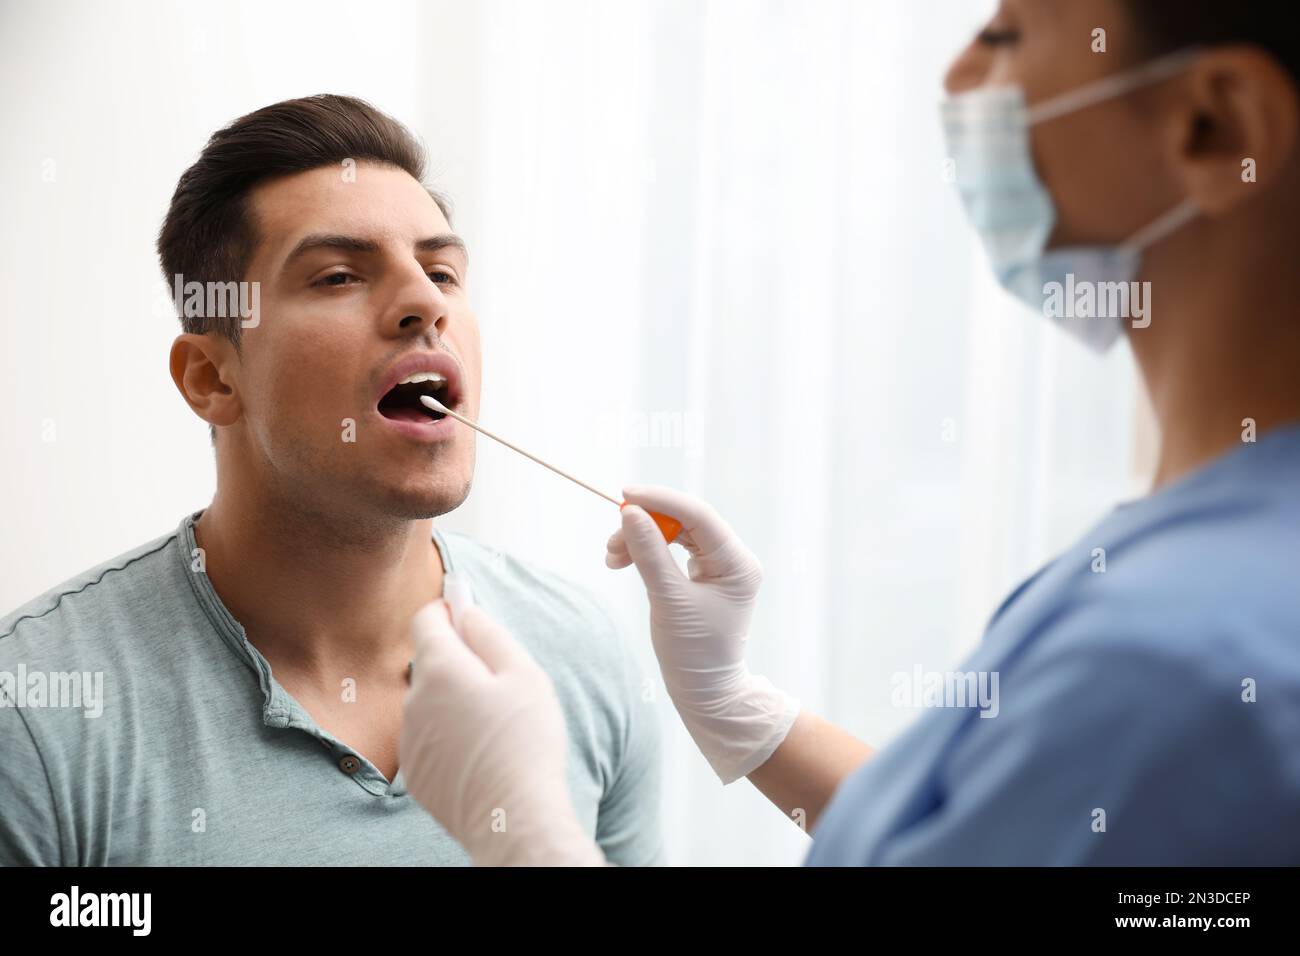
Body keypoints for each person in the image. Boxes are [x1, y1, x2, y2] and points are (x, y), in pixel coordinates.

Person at [398, 0, 1300, 866]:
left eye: (1010, 30)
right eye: (332, 278)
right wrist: (742, 712)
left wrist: (529, 843)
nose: (960, 72)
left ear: (1214, 127)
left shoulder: (1181, 660)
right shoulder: (1206, 579)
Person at [0, 95, 662, 866]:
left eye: (442, 271)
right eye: (340, 276)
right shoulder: (37, 712)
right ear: (213, 377)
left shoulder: (584, 657)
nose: (425, 303)